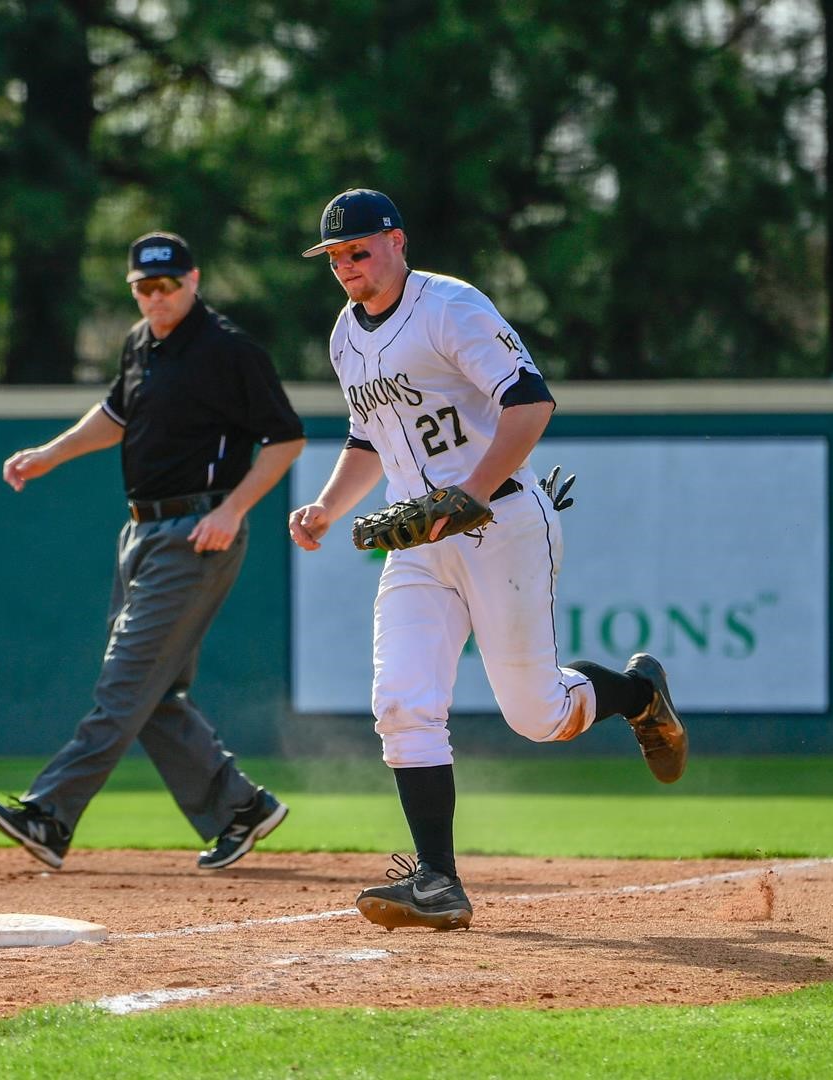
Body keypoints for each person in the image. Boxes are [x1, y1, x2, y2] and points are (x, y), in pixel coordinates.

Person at [286, 189, 689, 931]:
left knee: (538, 716)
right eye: (335, 256)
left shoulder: (450, 307)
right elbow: (368, 442)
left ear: (397, 242)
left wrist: (467, 494)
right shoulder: (346, 335)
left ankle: (638, 694)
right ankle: (438, 880)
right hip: (418, 546)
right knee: (403, 702)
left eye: (360, 250)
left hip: (499, 520)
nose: (347, 266)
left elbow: (530, 403)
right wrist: (325, 507)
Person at [0, 230, 306, 872]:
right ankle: (239, 808)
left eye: (167, 285)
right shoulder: (139, 344)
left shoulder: (228, 349)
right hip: (139, 533)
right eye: (143, 287)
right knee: (150, 694)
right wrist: (51, 454)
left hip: (195, 533)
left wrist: (232, 509)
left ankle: (50, 814)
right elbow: (115, 415)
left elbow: (285, 439)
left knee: (124, 685)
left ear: (193, 280)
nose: (156, 298)